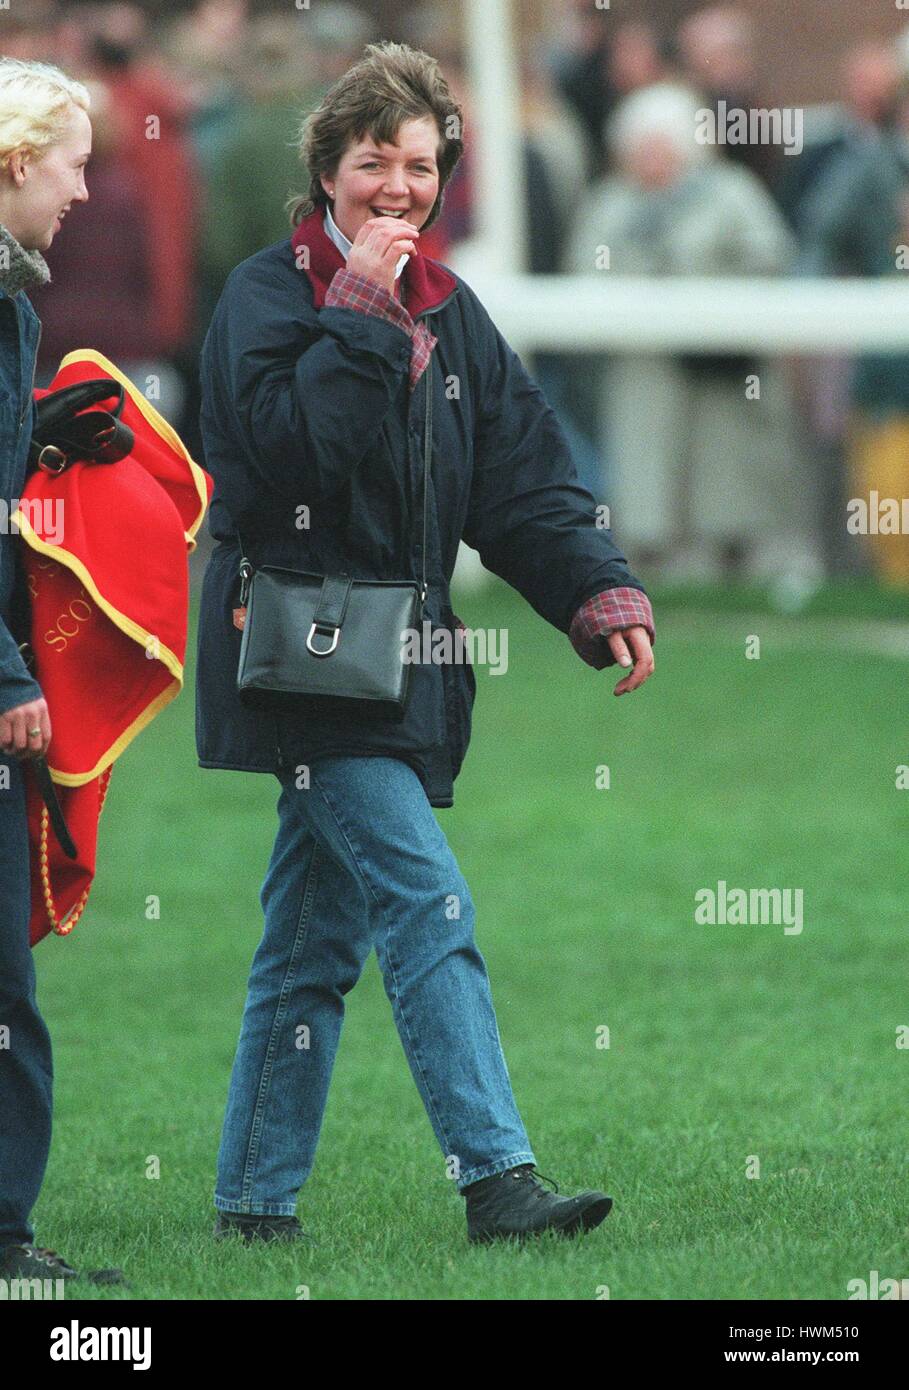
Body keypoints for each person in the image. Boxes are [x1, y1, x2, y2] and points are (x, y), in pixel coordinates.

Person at [196, 40, 655, 1245]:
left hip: (401, 666)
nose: (396, 188)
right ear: (325, 168)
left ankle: (252, 1204)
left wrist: (598, 593)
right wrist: (357, 310)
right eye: (370, 163)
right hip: (294, 659)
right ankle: (497, 1180)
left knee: (308, 944)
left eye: (418, 165)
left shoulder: (457, 317)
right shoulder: (264, 296)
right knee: (427, 900)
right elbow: (292, 459)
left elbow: (525, 483)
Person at [0, 57, 122, 1285]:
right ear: (19, 159)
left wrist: (34, 430)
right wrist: (4, 678)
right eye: (75, 163)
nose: (84, 190)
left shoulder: (17, 305)